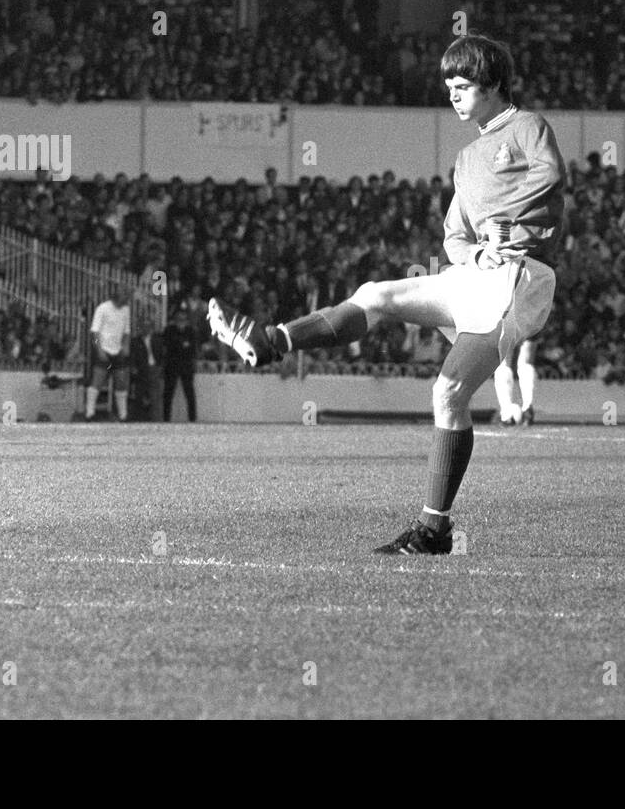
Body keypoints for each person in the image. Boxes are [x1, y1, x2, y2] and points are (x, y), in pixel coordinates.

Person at [207, 33, 564, 554]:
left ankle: (432, 530)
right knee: (375, 294)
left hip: (520, 275)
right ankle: (270, 341)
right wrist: (472, 253)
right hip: (477, 274)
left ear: (491, 85)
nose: (454, 95)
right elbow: (454, 235)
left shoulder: (527, 125)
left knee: (446, 392)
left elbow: (551, 175)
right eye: (449, 87)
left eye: (463, 86)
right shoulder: (466, 158)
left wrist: (504, 228)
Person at [86, 288, 131, 422]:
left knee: (121, 381)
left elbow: (127, 331)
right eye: (125, 295)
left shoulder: (126, 310)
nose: (127, 298)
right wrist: (99, 350)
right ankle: (90, 413)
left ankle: (123, 415)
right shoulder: (102, 308)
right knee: (98, 380)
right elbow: (94, 333)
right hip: (104, 348)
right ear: (117, 296)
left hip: (118, 350)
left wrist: (126, 346)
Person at [162, 303, 199, 422]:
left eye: (183, 318)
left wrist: (180, 344)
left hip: (186, 365)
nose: (181, 321)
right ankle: (166, 419)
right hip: (172, 365)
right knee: (168, 393)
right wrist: (182, 344)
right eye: (179, 318)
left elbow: (191, 348)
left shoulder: (190, 331)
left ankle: (192, 419)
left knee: (189, 393)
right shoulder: (169, 330)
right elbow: (170, 345)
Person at [493, 337, 538, 426]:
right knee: (526, 361)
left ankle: (507, 415)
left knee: (504, 363)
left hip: (504, 324)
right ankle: (528, 408)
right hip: (529, 323)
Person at [130, 317, 164, 422]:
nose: (146, 328)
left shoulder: (158, 340)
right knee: (139, 396)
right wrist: (133, 367)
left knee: (155, 398)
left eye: (148, 326)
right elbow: (132, 356)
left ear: (151, 328)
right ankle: (139, 421)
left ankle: (156, 421)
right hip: (141, 370)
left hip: (154, 369)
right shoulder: (135, 341)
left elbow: (162, 355)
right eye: (143, 326)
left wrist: (160, 367)